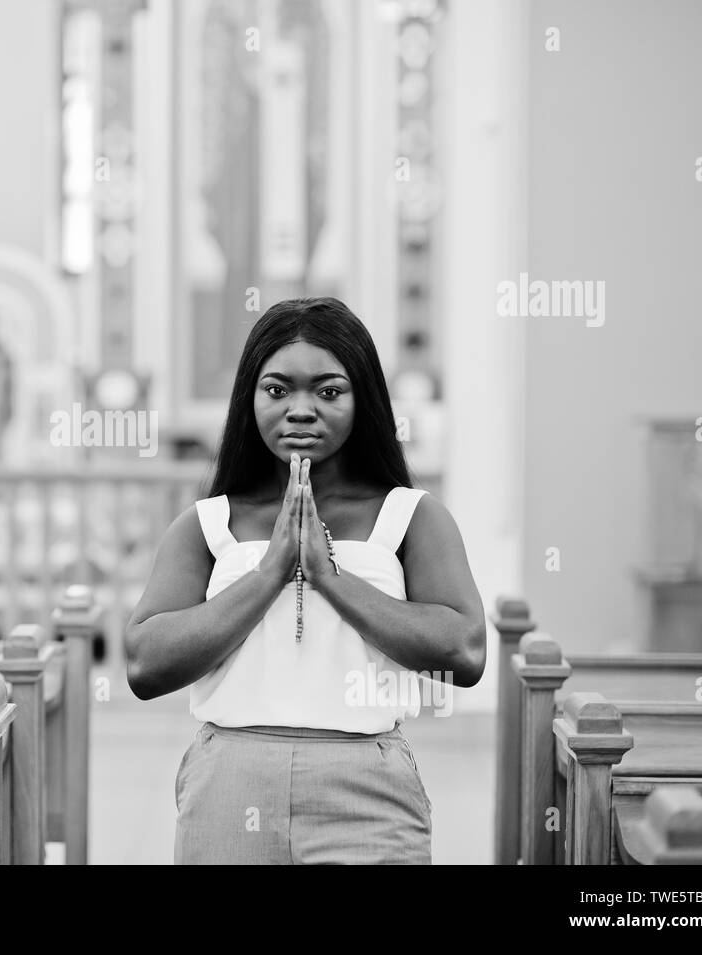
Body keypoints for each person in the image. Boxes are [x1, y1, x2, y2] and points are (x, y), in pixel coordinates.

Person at [124, 297, 486, 864]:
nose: (300, 409)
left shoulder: (410, 517)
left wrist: (327, 574)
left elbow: (464, 651)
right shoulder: (208, 523)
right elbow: (144, 665)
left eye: (328, 390)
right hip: (230, 778)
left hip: (366, 785)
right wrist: (271, 571)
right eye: (277, 390)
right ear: (250, 399)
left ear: (362, 399)